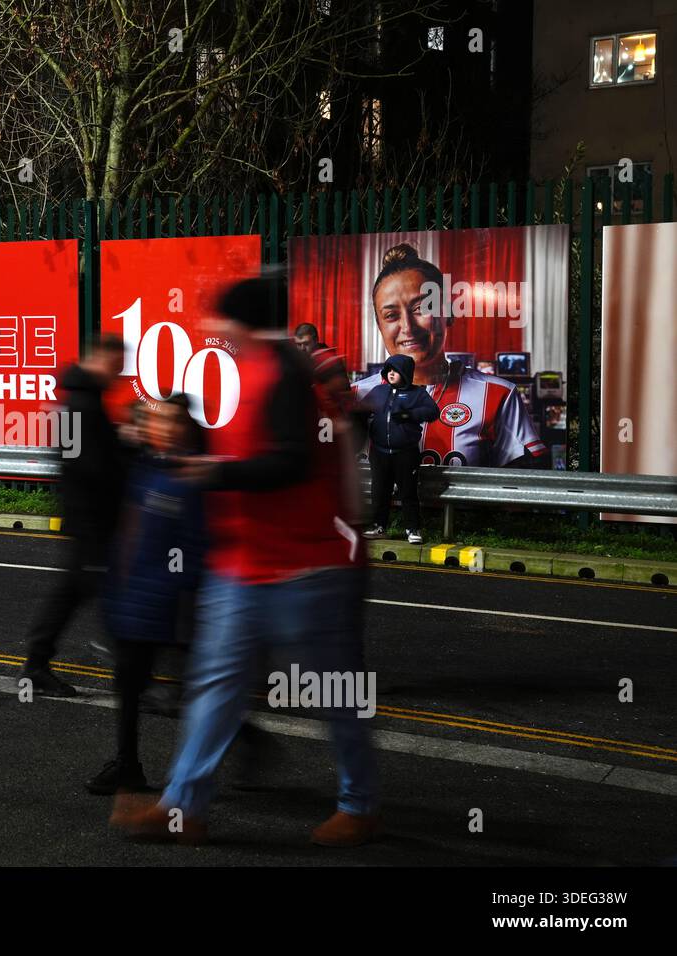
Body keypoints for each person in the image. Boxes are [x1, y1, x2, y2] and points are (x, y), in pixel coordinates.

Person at [112, 272, 380, 848]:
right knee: (217, 685)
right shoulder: (261, 371)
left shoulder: (285, 375)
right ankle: (183, 806)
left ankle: (358, 805)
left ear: (241, 324)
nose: (214, 330)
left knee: (334, 691)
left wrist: (215, 473)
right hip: (246, 564)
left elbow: (288, 464)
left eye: (221, 320)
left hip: (309, 566)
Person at [87, 394, 206, 796]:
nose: (164, 427)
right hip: (134, 601)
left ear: (185, 427)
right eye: (159, 420)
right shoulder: (144, 467)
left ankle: (235, 750)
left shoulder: (189, 476)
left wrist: (176, 598)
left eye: (173, 421)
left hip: (165, 606)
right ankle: (127, 765)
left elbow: (194, 548)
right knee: (132, 687)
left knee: (196, 691)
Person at [352, 243, 544, 467]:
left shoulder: (498, 396)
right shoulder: (354, 397)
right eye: (391, 315)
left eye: (421, 308)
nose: (408, 327)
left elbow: (521, 494)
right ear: (379, 325)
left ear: (449, 312)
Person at [19, 333, 129, 698]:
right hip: (92, 519)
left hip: (87, 518)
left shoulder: (80, 399)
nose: (119, 374)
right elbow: (86, 465)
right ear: (101, 359)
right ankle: (129, 673)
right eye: (116, 365)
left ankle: (38, 663)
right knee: (102, 593)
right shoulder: (82, 403)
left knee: (76, 592)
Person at [361, 354, 439, 543]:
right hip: (379, 451)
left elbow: (433, 412)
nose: (391, 374)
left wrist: (408, 415)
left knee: (408, 492)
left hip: (406, 452)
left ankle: (413, 529)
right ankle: (379, 527)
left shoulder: (418, 393)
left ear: (406, 373)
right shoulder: (378, 391)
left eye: (395, 370)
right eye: (389, 370)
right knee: (379, 491)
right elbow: (361, 410)